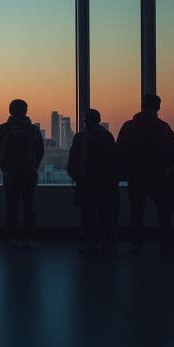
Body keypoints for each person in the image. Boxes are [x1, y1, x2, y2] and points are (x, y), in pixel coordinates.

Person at [117, 94, 174, 254]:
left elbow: (119, 151)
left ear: (142, 105)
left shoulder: (129, 126)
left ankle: (136, 244)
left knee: (136, 212)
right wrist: (167, 166)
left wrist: (125, 171)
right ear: (158, 107)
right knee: (163, 213)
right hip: (159, 176)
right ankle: (165, 244)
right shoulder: (163, 127)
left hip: (136, 176)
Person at [0, 99, 45, 246]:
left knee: (11, 207)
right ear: (25, 111)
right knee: (29, 206)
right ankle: (30, 237)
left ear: (10, 111)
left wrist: (3, 167)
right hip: (29, 173)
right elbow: (40, 150)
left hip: (10, 173)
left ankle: (10, 236)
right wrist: (35, 166)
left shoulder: (3, 129)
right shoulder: (33, 129)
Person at [67, 109, 120, 255]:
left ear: (85, 121)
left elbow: (73, 162)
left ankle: (89, 243)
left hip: (86, 183)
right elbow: (115, 161)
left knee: (88, 215)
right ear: (99, 120)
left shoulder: (80, 138)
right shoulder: (108, 137)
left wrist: (77, 177)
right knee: (106, 215)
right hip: (106, 184)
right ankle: (106, 243)